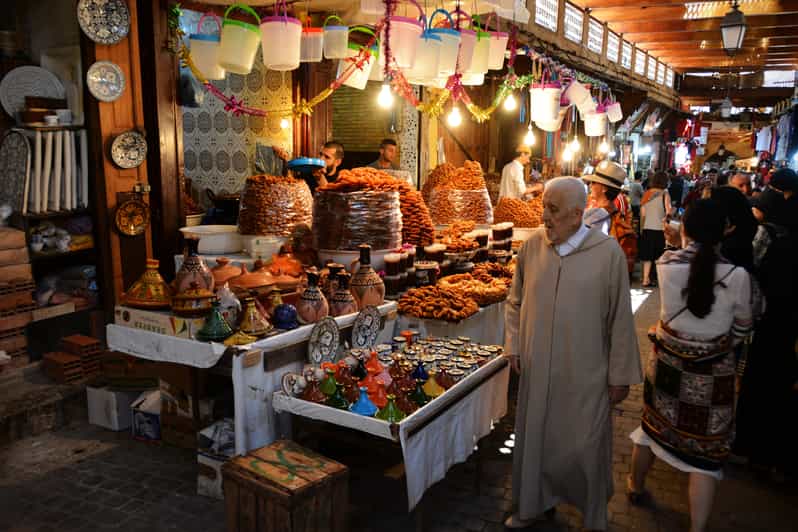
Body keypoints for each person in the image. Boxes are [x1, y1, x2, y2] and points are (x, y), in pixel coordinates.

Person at [504, 176, 641, 531]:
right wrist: (514, 345)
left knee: (584, 445)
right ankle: (531, 506)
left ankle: (593, 515)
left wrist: (620, 375)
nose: (544, 217)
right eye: (543, 207)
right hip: (537, 367)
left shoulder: (607, 253)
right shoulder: (532, 247)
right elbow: (515, 301)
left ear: (578, 214)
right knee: (534, 440)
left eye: (553, 210)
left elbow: (621, 320)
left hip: (585, 373)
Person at [628, 199, 753, 532]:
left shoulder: (666, 264)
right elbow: (743, 326)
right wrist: (715, 345)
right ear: (724, 232)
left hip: (667, 366)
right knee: (705, 458)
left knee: (651, 432)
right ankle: (697, 527)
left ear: (685, 229)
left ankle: (634, 487)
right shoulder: (738, 276)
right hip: (714, 377)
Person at [734, 187, 798, 479]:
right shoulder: (786, 238)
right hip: (785, 329)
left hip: (769, 322)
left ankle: (751, 447)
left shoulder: (770, 236)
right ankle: (775, 457)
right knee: (779, 387)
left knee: (759, 381)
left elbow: (756, 271)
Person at [584, 160, 638, 275]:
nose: (590, 185)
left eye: (594, 182)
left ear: (604, 188)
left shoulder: (600, 217)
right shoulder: (608, 213)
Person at [639, 171, 671, 287]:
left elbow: (642, 214)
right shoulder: (665, 194)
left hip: (647, 228)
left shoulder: (646, 194)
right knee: (658, 256)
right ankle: (657, 278)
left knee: (647, 256)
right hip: (660, 230)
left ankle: (645, 279)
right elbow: (668, 212)